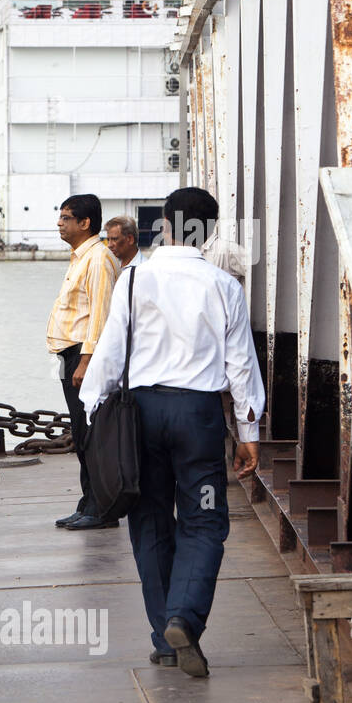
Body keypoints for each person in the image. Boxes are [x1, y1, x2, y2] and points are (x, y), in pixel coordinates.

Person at [80, 187, 265, 677]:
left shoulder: (134, 277)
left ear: (164, 223)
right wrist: (249, 430)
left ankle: (164, 637)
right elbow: (241, 364)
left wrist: (92, 414)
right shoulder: (223, 285)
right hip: (197, 416)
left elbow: (110, 351)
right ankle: (184, 617)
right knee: (204, 521)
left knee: (150, 521)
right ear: (210, 231)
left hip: (140, 412)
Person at [46, 193, 119, 531]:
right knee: (81, 431)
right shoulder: (79, 257)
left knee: (91, 434)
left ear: (84, 223)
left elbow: (101, 316)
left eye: (65, 217)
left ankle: (102, 510)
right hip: (70, 355)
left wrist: (86, 361)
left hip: (83, 356)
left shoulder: (98, 258)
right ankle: (88, 502)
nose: (60, 223)